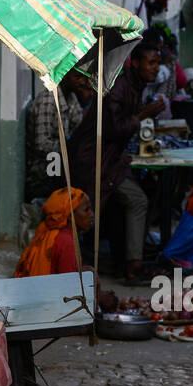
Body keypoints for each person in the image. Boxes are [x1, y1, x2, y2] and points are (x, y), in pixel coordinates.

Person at [68, 41, 166, 280]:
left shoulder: (133, 85)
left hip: (107, 159)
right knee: (137, 200)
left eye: (157, 63)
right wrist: (145, 113)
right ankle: (132, 266)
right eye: (151, 63)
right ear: (136, 63)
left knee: (128, 200)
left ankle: (125, 260)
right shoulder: (120, 86)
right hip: (92, 160)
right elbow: (115, 128)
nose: (155, 68)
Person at [25, 69, 93, 201]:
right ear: (64, 75)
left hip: (62, 169)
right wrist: (71, 147)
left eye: (84, 78)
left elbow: (78, 129)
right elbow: (42, 145)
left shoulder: (71, 98)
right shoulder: (48, 100)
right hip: (44, 174)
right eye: (77, 77)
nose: (82, 82)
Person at [14, 187, 94, 277]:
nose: (91, 214)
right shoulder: (66, 241)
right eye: (86, 210)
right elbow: (69, 282)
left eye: (90, 209)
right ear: (70, 216)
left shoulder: (49, 232)